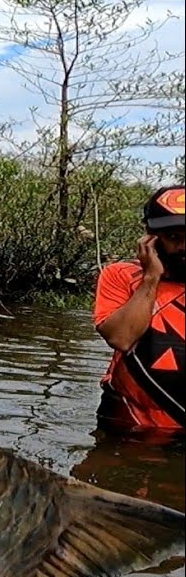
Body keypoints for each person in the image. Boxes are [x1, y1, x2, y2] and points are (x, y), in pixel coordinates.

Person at [92, 184, 185, 434]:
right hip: (127, 423)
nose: (183, 247)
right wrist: (151, 278)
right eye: (174, 237)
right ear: (151, 238)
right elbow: (120, 338)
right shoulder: (121, 275)